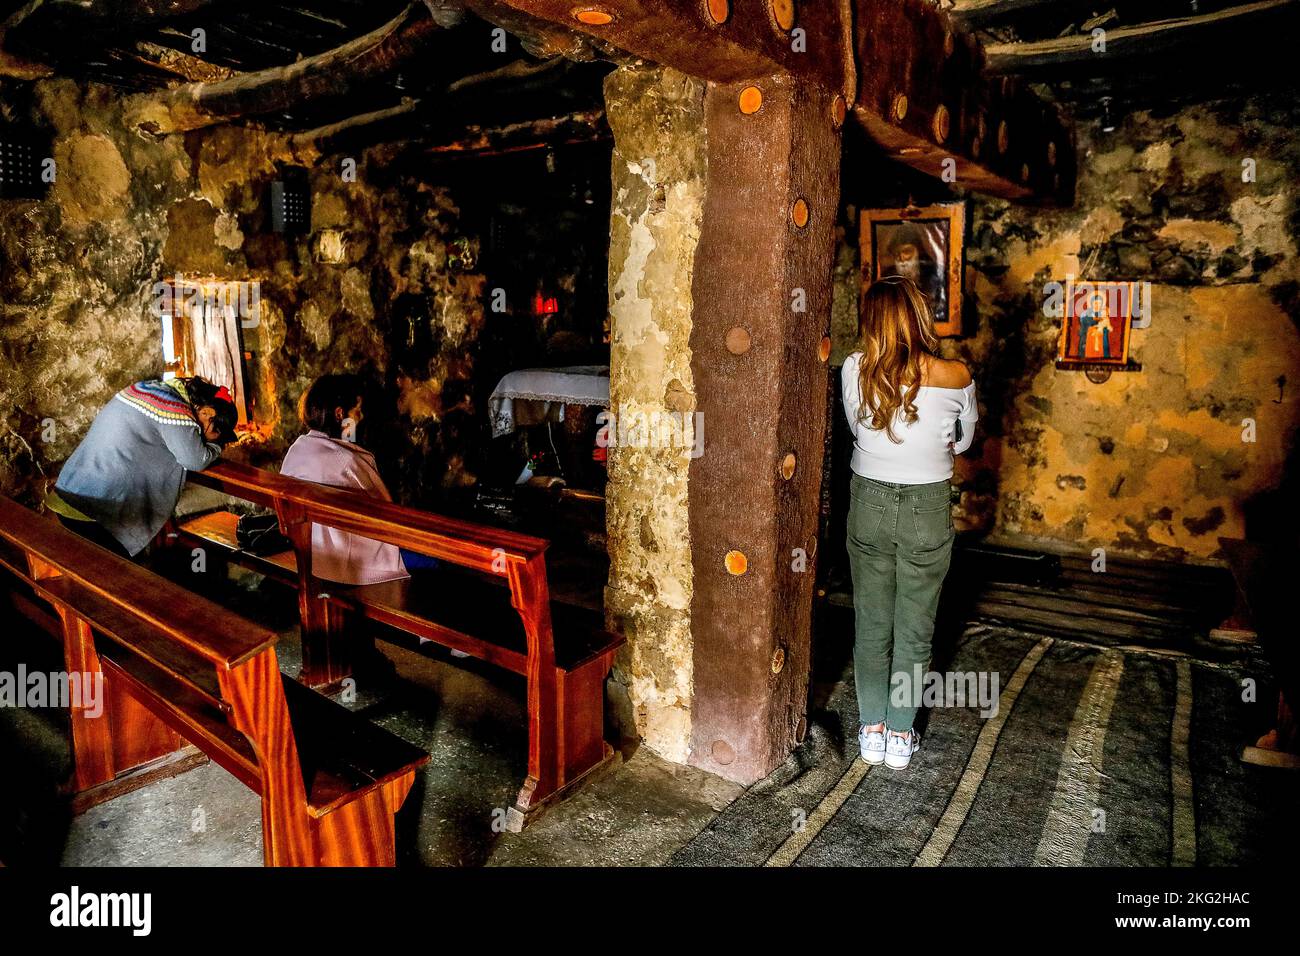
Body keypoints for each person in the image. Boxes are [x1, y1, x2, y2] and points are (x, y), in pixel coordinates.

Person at [841, 275, 978, 770]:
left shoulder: (856, 368)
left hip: (869, 500)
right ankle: (901, 736)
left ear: (871, 321)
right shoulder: (957, 374)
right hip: (927, 504)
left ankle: (871, 730)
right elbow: (961, 442)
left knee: (872, 622)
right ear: (920, 317)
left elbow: (857, 429)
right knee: (915, 628)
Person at [48, 377, 238, 557]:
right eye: (216, 433)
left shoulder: (144, 388)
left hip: (68, 492)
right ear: (206, 413)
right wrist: (216, 447)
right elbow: (195, 459)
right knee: (120, 574)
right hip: (94, 511)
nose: (212, 438)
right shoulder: (175, 410)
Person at [280, 374, 435, 586]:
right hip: (353, 562)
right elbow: (387, 513)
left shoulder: (297, 450)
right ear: (339, 414)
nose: (360, 418)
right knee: (436, 559)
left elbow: (346, 441)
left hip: (313, 554)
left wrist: (349, 436)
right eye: (357, 411)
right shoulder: (348, 460)